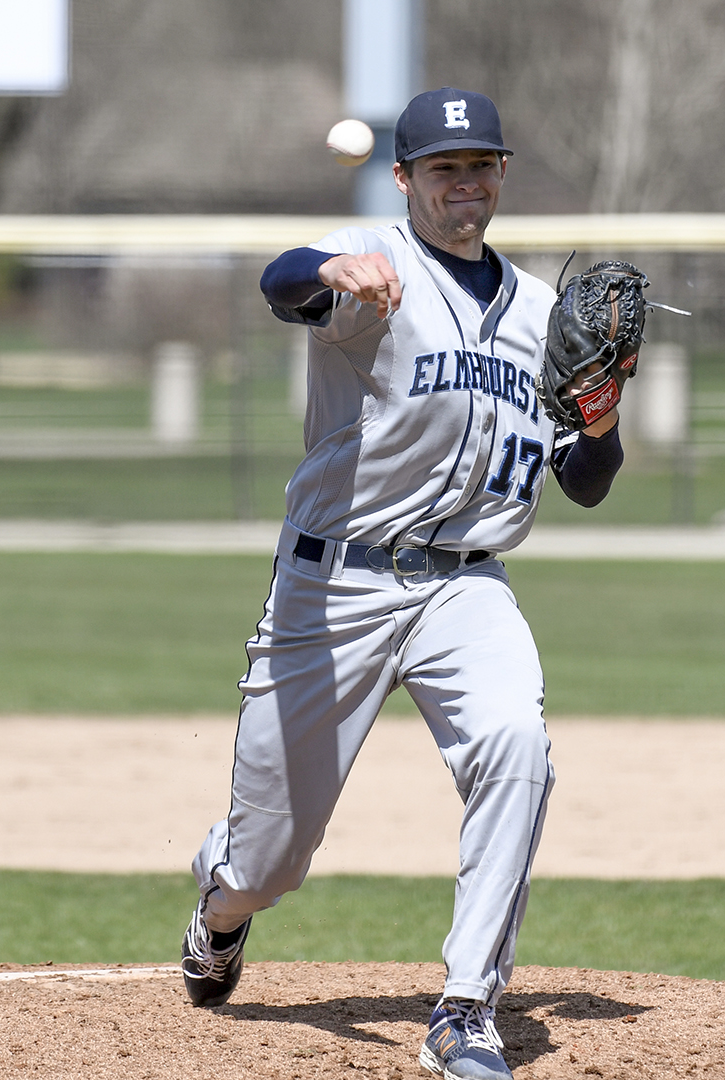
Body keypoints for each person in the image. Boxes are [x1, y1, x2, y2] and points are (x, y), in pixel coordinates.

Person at [180, 88, 625, 1080]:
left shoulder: (547, 317)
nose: (463, 185)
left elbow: (585, 485)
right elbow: (283, 283)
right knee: (271, 862)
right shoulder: (372, 259)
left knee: (516, 743)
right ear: (406, 180)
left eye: (479, 166)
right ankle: (221, 899)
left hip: (467, 585)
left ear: (502, 174)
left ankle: (467, 1006)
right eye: (443, 169)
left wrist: (601, 421)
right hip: (334, 583)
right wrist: (329, 269)